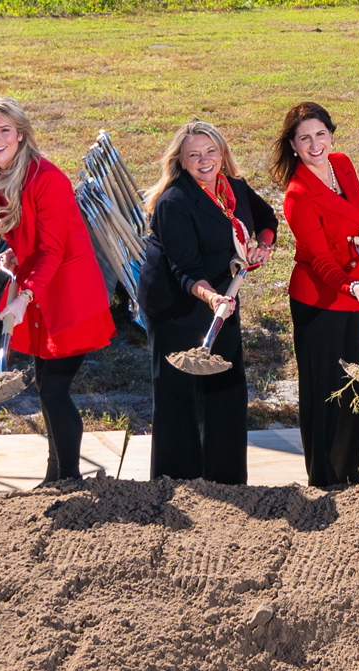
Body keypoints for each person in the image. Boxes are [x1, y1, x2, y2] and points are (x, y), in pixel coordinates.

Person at [0, 97, 115, 486]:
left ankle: (70, 477)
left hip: (68, 295)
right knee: (47, 388)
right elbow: (33, 238)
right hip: (38, 288)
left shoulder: (46, 178)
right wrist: (13, 254)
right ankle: (55, 474)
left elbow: (54, 249)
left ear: (21, 134)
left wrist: (22, 298)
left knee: (55, 389)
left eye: (5, 130)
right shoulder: (2, 175)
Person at [137, 120, 277, 485]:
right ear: (181, 161)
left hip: (222, 294)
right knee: (178, 392)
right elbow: (184, 270)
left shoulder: (234, 188)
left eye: (211, 151)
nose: (204, 160)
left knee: (227, 388)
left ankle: (227, 479)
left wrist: (263, 244)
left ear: (222, 153)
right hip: (176, 304)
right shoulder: (175, 202)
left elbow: (266, 218)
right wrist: (213, 297)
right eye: (194, 155)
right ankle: (176, 482)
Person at [270, 102, 359, 488]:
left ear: (330, 134)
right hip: (320, 299)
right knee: (324, 390)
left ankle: (349, 467)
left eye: (320, 134)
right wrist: (351, 285)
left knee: (356, 383)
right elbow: (318, 259)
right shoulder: (297, 195)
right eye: (305, 138)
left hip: (355, 290)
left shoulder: (343, 163)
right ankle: (324, 476)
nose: (315, 144)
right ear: (293, 145)